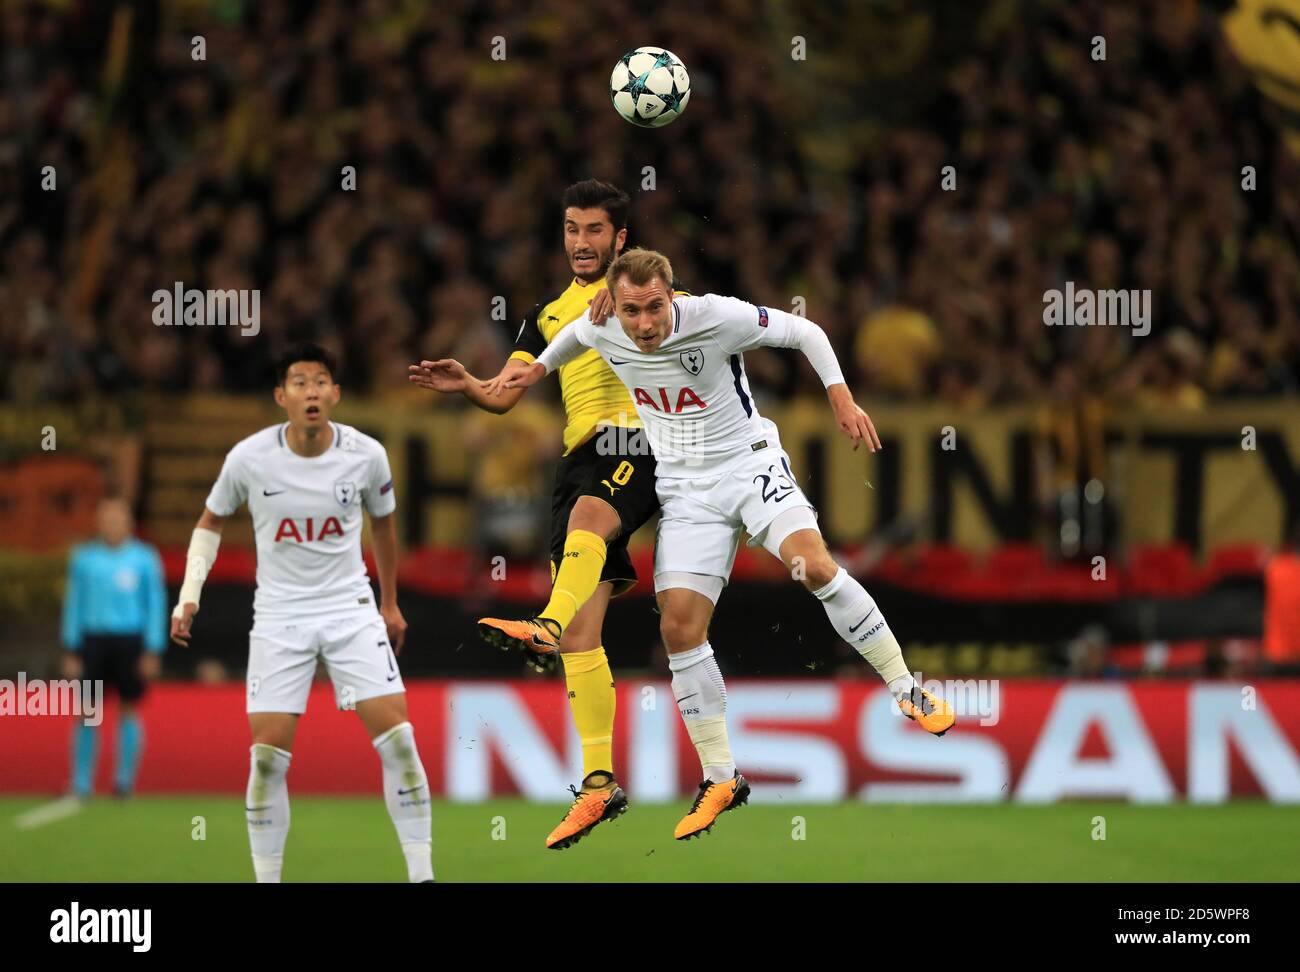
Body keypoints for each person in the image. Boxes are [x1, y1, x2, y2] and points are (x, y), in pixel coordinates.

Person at [497, 248, 956, 840]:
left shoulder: (715, 316)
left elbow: (804, 331)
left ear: (673, 297)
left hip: (747, 464)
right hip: (685, 490)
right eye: (632, 310)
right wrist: (534, 371)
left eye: (655, 308)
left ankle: (905, 688)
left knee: (811, 565)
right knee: (679, 630)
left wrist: (840, 396)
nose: (644, 324)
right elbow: (571, 341)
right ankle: (722, 778)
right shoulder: (602, 325)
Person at [408, 179, 686, 850]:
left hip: (638, 442)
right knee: (585, 638)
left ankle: (543, 621)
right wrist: (472, 387)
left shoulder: (643, 297)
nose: (581, 242)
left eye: (595, 230)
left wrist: (631, 299)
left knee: (590, 526)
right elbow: (509, 394)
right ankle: (598, 784)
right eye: (571, 229)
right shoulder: (544, 316)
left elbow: (675, 327)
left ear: (620, 239)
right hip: (577, 463)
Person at [171, 343, 434, 883]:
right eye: (298, 382)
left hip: (350, 608)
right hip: (279, 616)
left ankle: (422, 876)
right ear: (280, 396)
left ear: (335, 394)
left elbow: (383, 525)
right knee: (266, 761)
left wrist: (389, 602)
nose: (310, 391)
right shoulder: (248, 459)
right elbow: (210, 521)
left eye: (320, 382)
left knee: (401, 742)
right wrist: (189, 591)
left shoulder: (367, 455)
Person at [61, 496, 167, 798]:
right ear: (98, 523)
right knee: (87, 710)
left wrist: (152, 648)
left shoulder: (144, 558)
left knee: (129, 709)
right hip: (93, 640)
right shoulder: (84, 559)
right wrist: (71, 648)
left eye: (117, 520)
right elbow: (74, 603)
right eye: (106, 520)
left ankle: (124, 781)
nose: (112, 526)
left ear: (129, 523)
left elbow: (155, 603)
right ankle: (81, 783)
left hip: (129, 641)